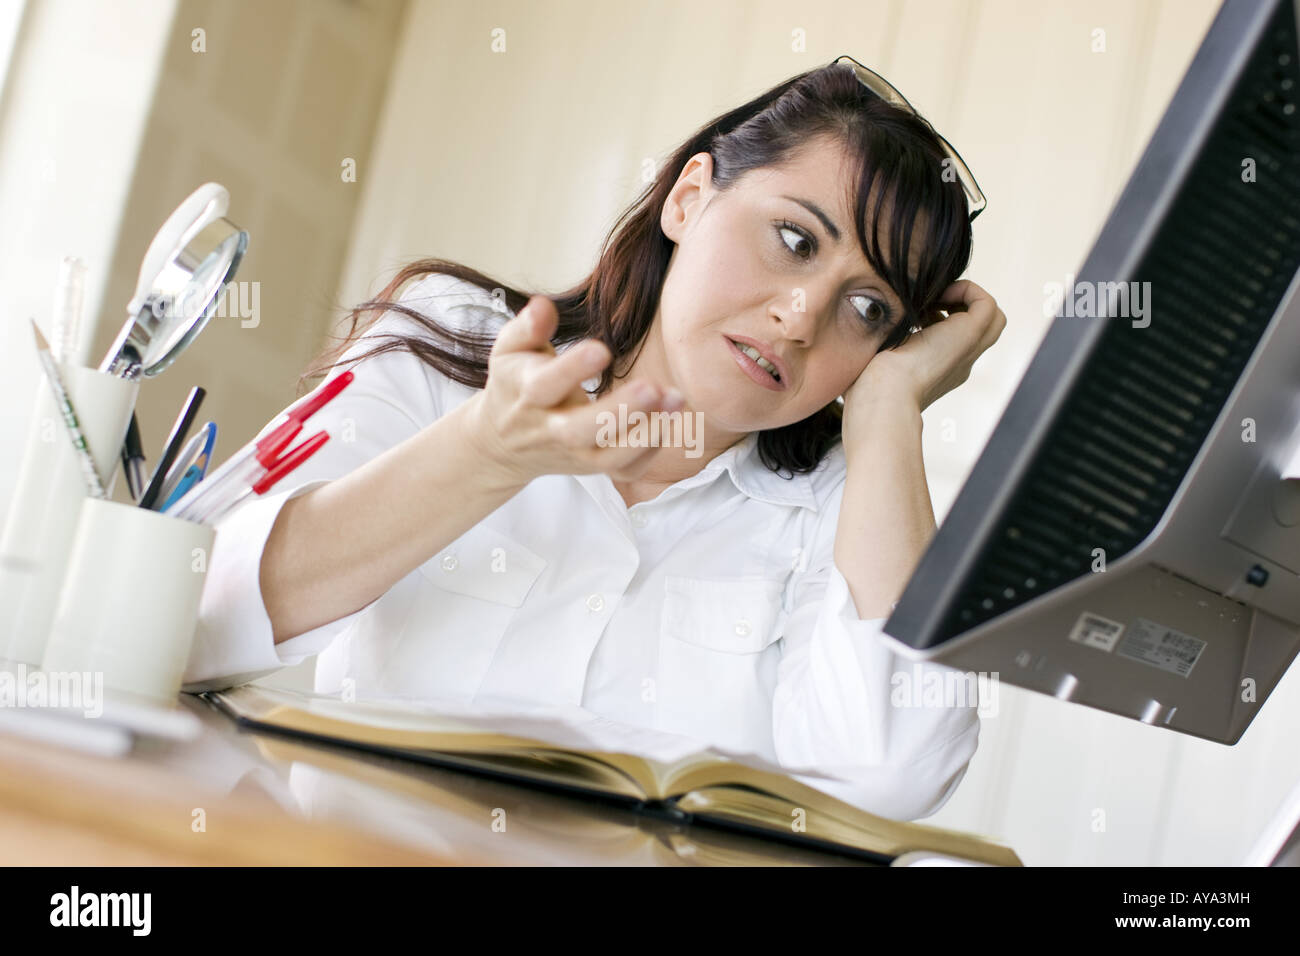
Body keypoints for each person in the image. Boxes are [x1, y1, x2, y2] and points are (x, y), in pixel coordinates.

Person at [183, 56, 1006, 821]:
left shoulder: (841, 505)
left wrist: (892, 410)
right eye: (794, 240)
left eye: (868, 309)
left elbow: (893, 778)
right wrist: (486, 456)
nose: (800, 319)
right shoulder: (454, 338)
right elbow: (192, 621)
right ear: (689, 197)